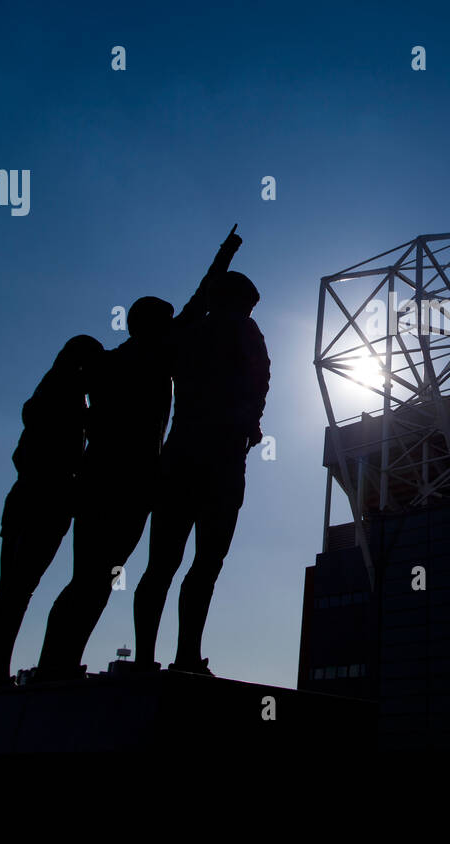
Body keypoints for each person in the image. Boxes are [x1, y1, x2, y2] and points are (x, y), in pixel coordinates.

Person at [34, 229, 243, 680]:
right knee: (98, 580)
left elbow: (62, 413)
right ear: (153, 324)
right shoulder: (156, 354)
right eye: (166, 319)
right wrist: (223, 255)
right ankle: (58, 665)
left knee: (87, 580)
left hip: (95, 480)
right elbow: (201, 301)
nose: (174, 323)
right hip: (129, 484)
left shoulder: (106, 363)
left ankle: (57, 663)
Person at [134, 269, 270, 675]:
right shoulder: (245, 331)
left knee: (161, 563)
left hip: (179, 455)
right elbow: (259, 384)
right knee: (206, 563)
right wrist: (250, 423)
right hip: (222, 459)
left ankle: (145, 659)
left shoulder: (186, 335)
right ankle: (187, 656)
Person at [0, 334, 103, 689]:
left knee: (8, 589)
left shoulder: (49, 393)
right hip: (47, 499)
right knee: (18, 590)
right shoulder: (68, 400)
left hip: (25, 496)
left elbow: (22, 455)